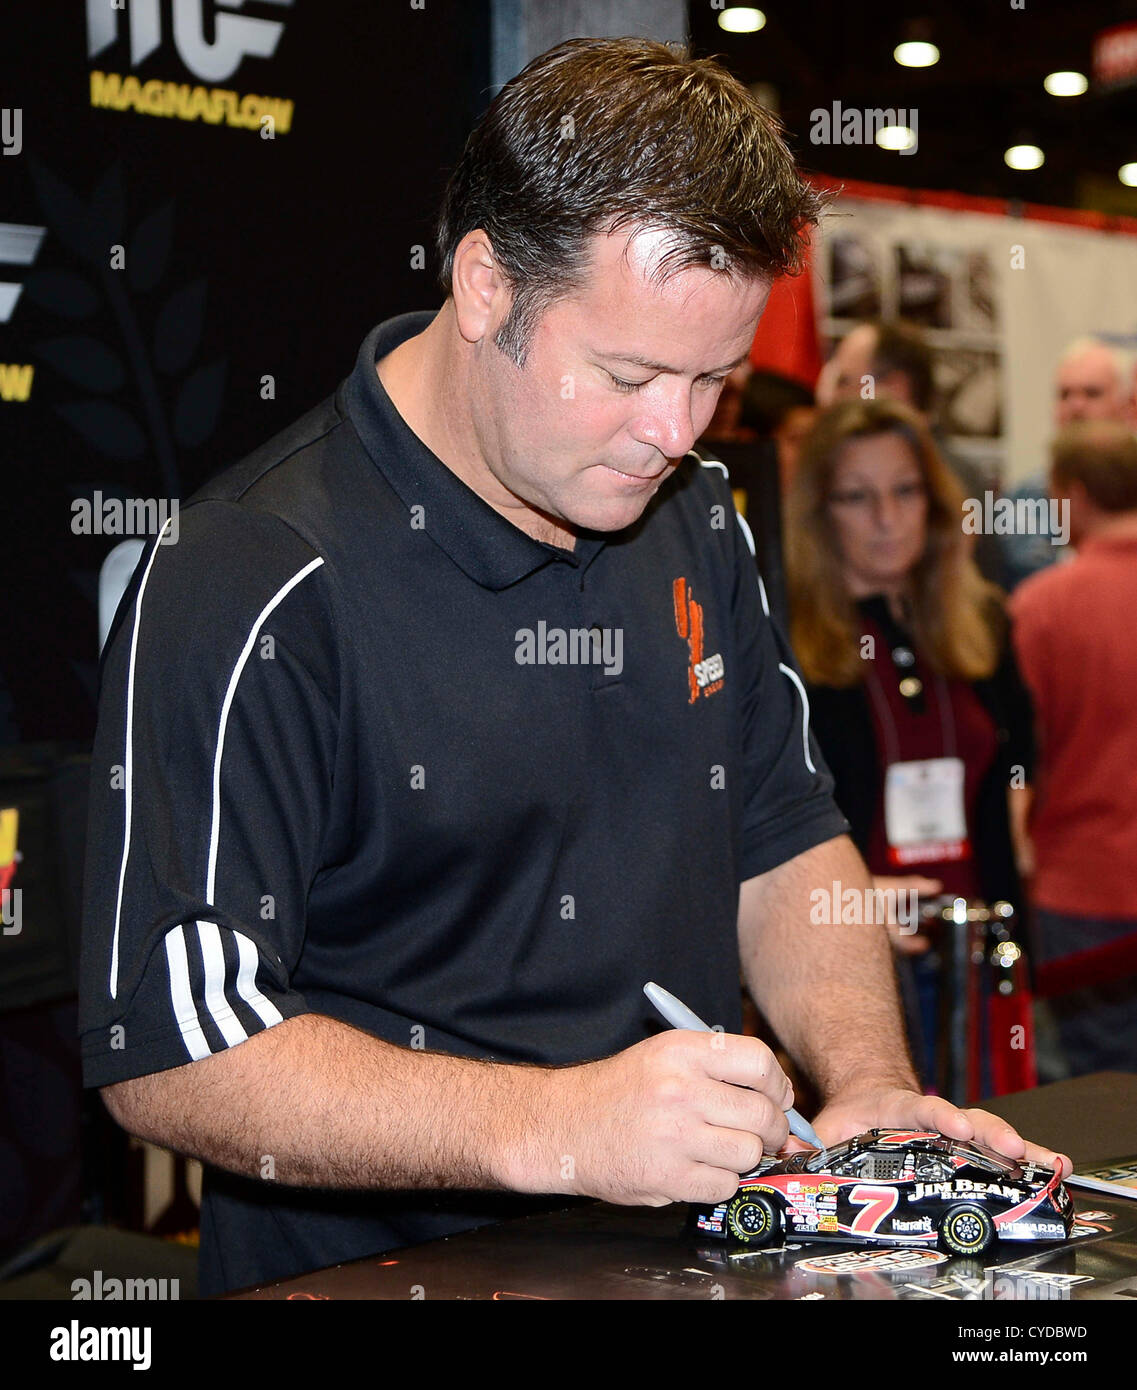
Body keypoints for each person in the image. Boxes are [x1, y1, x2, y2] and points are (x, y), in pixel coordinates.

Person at [78, 38, 1067, 1296]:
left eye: (716, 378)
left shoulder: (701, 518)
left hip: (699, 1265)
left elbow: (781, 834)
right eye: (629, 374)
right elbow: (172, 1055)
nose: (677, 432)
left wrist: (867, 1082)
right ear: (487, 286)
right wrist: (562, 1127)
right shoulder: (254, 576)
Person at [784, 398, 1035, 1083]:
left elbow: (1017, 759)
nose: (887, 519)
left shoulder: (977, 622)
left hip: (978, 951)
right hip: (856, 959)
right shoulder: (786, 644)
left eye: (904, 491)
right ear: (819, 514)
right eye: (856, 498)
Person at [1009, 420, 1137, 1075]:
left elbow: (1017, 758)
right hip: (1088, 884)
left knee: (1095, 1098)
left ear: (1077, 494)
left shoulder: (1041, 606)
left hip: (1080, 885)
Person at [817, 318, 1010, 590]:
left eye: (844, 381)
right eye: (856, 497)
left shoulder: (947, 476)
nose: (830, 398)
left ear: (895, 388)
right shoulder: (949, 468)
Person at [1003, 338, 1136, 590]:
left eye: (1092, 393)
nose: (1075, 406)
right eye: (1065, 394)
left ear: (1128, 407)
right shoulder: (1026, 497)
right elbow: (1022, 584)